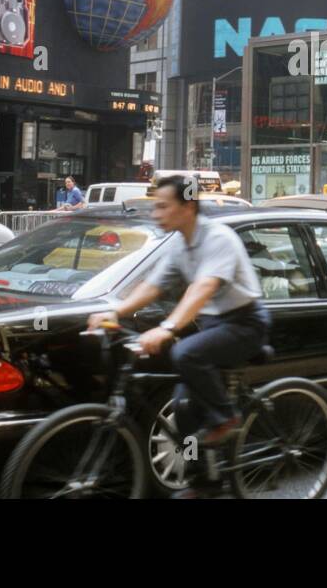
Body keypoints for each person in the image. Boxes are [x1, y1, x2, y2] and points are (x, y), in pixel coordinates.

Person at [88, 174, 269, 497]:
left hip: (245, 323)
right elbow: (152, 287)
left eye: (162, 206)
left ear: (187, 206)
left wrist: (168, 327)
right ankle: (207, 481)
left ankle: (226, 419)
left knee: (185, 353)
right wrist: (115, 312)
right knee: (183, 408)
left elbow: (203, 287)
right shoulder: (179, 245)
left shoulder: (218, 238)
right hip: (214, 326)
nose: (156, 213)